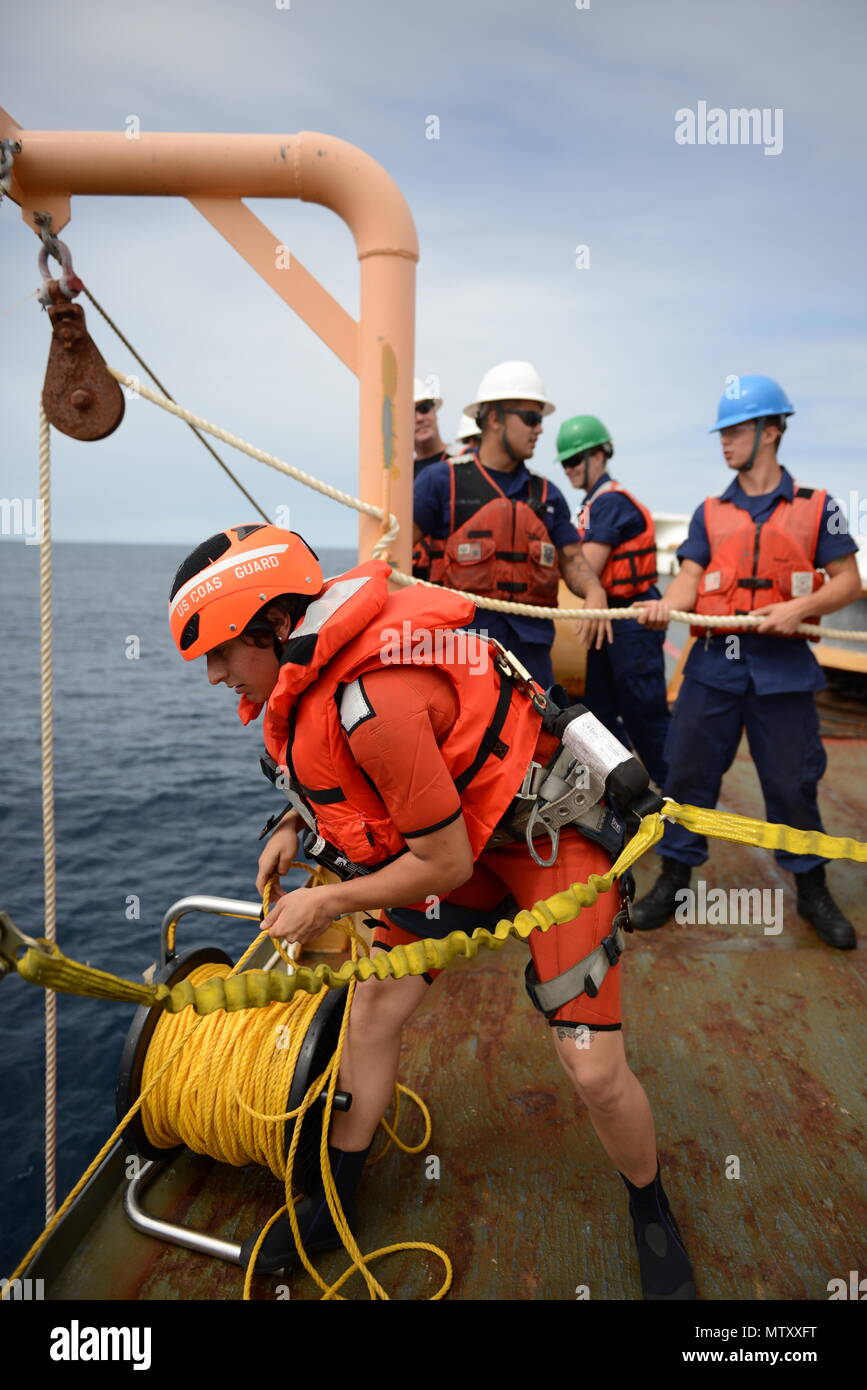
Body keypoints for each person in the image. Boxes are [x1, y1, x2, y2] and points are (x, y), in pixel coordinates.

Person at [169, 521, 697, 1299]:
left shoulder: (372, 701)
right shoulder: (313, 678)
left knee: (590, 1065)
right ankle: (334, 1198)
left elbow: (441, 863)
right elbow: (365, 796)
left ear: (279, 627)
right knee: (372, 1015)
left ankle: (649, 1203)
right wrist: (291, 824)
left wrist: (328, 902)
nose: (215, 676)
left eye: (221, 653)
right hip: (455, 840)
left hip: (543, 841)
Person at [632, 375, 861, 949]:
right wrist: (663, 607)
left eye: (735, 431)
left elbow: (849, 581)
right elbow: (688, 582)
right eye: (723, 432)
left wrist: (801, 608)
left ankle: (812, 889)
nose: (724, 442)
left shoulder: (819, 508)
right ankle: (674, 879)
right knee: (686, 776)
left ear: (771, 431)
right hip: (713, 667)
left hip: (782, 670)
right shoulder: (709, 512)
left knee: (792, 784)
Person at [413, 361, 612, 688]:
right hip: (461, 657)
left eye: (540, 419)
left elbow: (574, 561)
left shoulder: (548, 494)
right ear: (494, 419)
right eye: (531, 418)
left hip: (530, 662)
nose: (540, 429)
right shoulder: (441, 482)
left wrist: (594, 591)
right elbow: (394, 554)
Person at [558, 413, 670, 787]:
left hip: (630, 622)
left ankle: (680, 816)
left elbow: (587, 566)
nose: (569, 469)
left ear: (599, 455)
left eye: (575, 460)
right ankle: (628, 801)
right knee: (601, 717)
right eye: (565, 462)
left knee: (645, 717)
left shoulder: (609, 503)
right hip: (605, 623)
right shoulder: (591, 504)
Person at [414, 377, 449, 477]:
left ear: (434, 411)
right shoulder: (403, 476)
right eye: (409, 413)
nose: (419, 418)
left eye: (424, 408)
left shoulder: (464, 460)